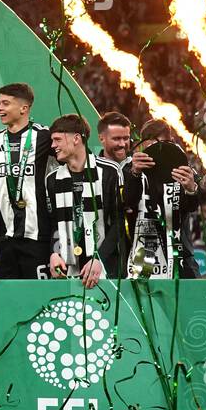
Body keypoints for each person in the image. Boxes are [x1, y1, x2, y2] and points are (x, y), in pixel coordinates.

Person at [45, 114, 128, 288]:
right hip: (68, 268)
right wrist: (54, 253)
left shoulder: (110, 172)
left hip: (104, 267)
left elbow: (119, 223)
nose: (53, 146)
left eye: (57, 140)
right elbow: (53, 223)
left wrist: (99, 260)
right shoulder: (52, 179)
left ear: (76, 138)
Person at [0, 83, 54, 279]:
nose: (0, 108)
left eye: (6, 103)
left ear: (24, 108)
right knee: (10, 299)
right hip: (5, 235)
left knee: (39, 298)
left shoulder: (44, 136)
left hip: (37, 235)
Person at [126, 119, 201, 278]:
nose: (158, 151)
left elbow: (192, 206)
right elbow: (127, 203)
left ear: (172, 142)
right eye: (152, 146)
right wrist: (134, 173)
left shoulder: (183, 170)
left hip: (179, 249)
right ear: (143, 145)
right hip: (144, 251)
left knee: (187, 299)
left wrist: (190, 189)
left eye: (163, 144)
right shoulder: (131, 169)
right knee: (146, 299)